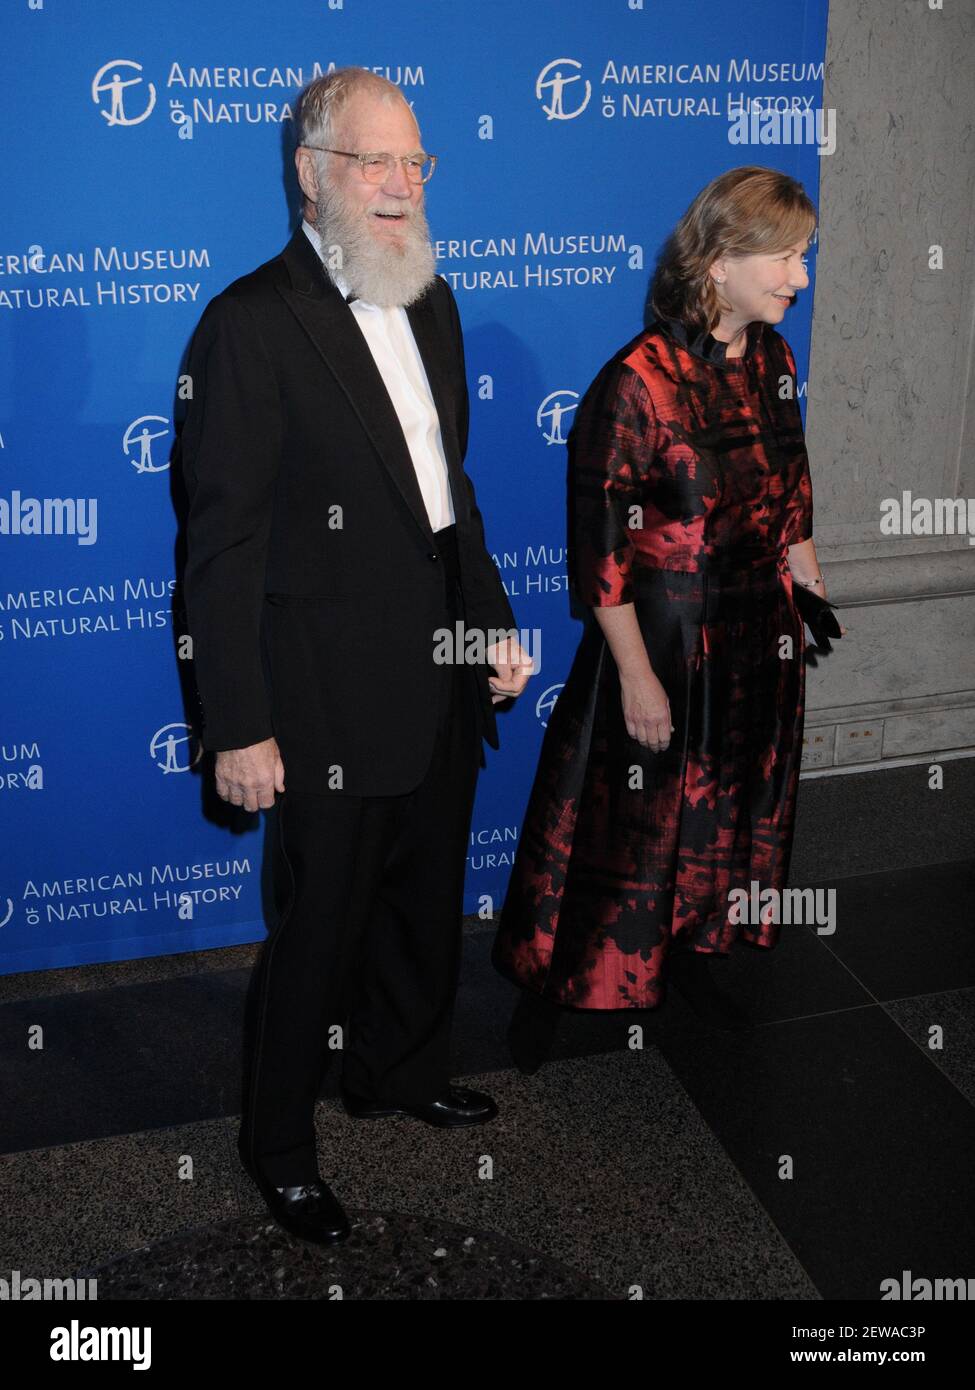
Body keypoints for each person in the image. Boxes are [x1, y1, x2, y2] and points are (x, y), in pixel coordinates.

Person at [180, 68, 532, 1243]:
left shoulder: (430, 297)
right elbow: (220, 545)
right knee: (317, 926)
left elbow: (448, 494)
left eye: (414, 163)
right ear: (312, 174)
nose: (398, 185)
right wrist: (236, 720)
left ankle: (400, 1067)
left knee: (425, 898)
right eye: (373, 162)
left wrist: (487, 620)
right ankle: (278, 1142)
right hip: (322, 696)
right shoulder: (247, 324)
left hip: (434, 673)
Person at [492, 166, 839, 1071]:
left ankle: (690, 955)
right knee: (621, 830)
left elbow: (791, 494)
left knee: (726, 816)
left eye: (803, 255)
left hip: (759, 638)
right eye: (785, 257)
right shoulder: (636, 383)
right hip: (661, 641)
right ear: (719, 264)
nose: (799, 276)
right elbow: (599, 553)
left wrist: (810, 589)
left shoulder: (773, 360)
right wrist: (639, 676)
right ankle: (553, 988)